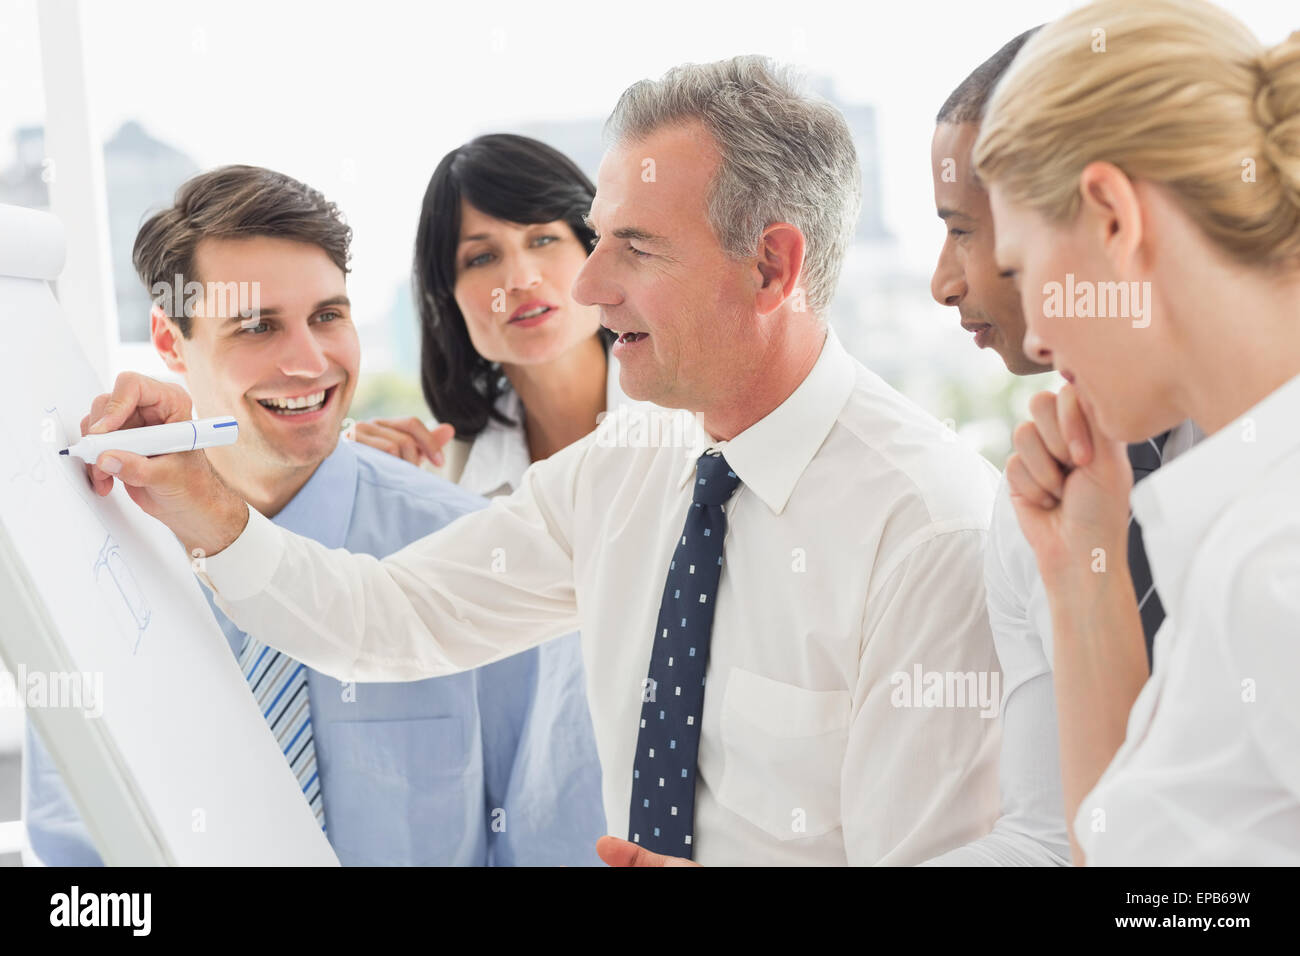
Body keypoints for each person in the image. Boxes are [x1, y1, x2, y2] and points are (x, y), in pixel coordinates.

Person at [73, 56, 1003, 866]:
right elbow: (387, 619)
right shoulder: (632, 463)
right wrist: (200, 501)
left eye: (633, 248)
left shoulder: (928, 522)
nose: (589, 288)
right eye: (597, 239)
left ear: (770, 267)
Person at [23, 165, 605, 866]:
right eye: (257, 326)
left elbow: (554, 842)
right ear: (171, 341)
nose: (309, 362)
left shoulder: (474, 549)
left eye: (328, 316)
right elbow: (75, 853)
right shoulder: (106, 566)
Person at [975, 0, 1300, 864]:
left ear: (1113, 217)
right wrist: (1082, 570)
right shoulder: (1241, 526)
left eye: (1022, 267)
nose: (1038, 336)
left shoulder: (1276, 561)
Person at [922, 27, 1205, 866]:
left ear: (1111, 217)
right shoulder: (1049, 495)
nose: (945, 281)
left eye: (977, 233)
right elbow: (1059, 841)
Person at [350, 133, 622, 863]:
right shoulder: (444, 478)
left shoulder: (695, 431)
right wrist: (377, 501)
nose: (520, 277)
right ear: (449, 297)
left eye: (544, 238)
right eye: (481, 256)